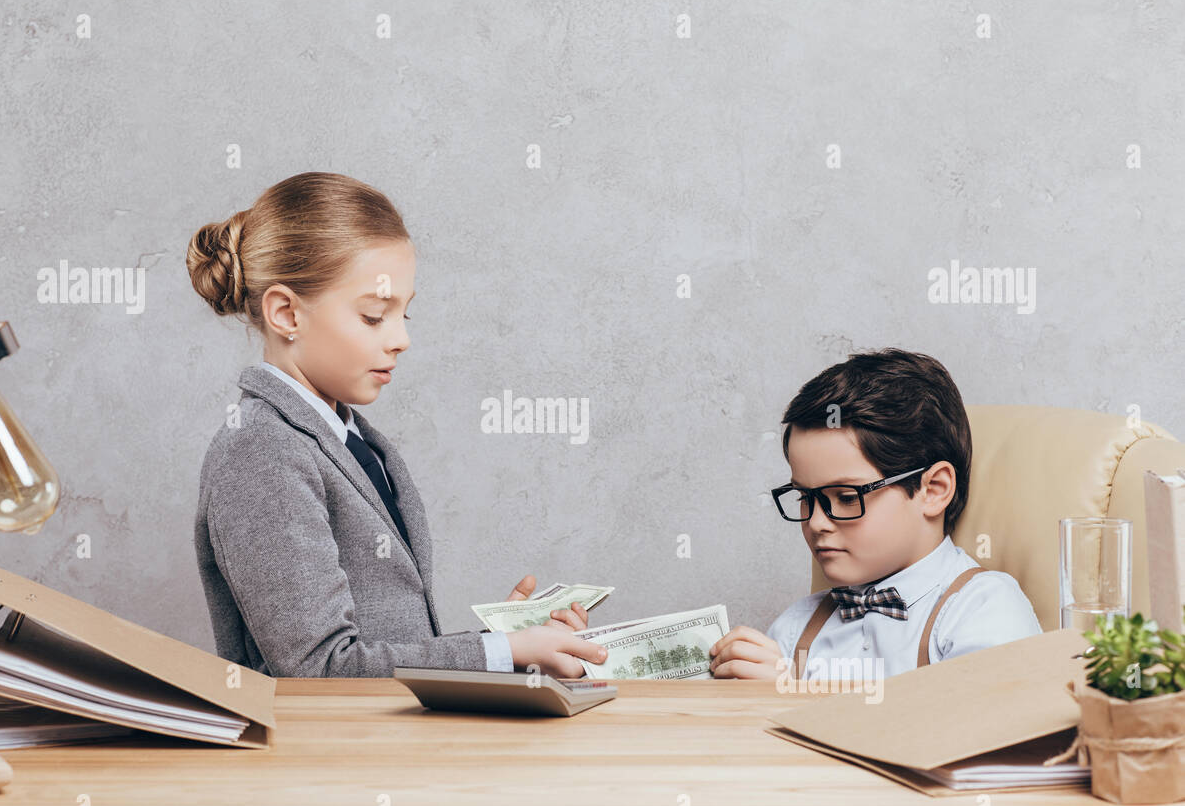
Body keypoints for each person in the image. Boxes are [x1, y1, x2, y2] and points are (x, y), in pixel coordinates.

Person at [187, 172, 607, 678]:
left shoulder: (351, 439)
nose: (401, 339)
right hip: (324, 756)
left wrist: (506, 645)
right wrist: (503, 652)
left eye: (405, 314)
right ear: (286, 313)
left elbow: (385, 647)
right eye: (373, 316)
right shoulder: (261, 451)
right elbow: (317, 669)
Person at [710, 348, 1041, 680]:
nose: (816, 522)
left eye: (846, 497)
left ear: (933, 490)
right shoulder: (795, 628)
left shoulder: (982, 609)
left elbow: (973, 728)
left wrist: (793, 698)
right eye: (806, 497)